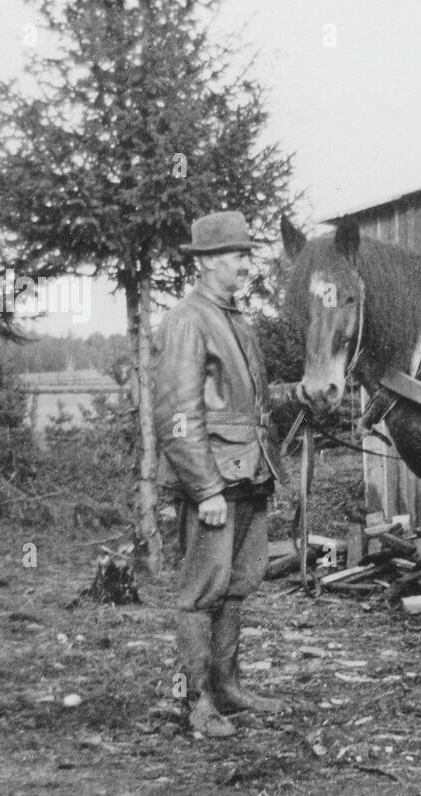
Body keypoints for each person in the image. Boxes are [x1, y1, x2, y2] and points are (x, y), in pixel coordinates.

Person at [154, 210, 301, 738]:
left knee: (237, 586)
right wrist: (205, 487)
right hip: (217, 479)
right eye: (238, 255)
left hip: (251, 474)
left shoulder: (236, 319)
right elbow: (176, 414)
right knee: (201, 591)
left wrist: (298, 396)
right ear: (211, 261)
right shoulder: (187, 321)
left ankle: (228, 688)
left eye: (245, 254)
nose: (246, 264)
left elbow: (247, 404)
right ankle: (196, 705)